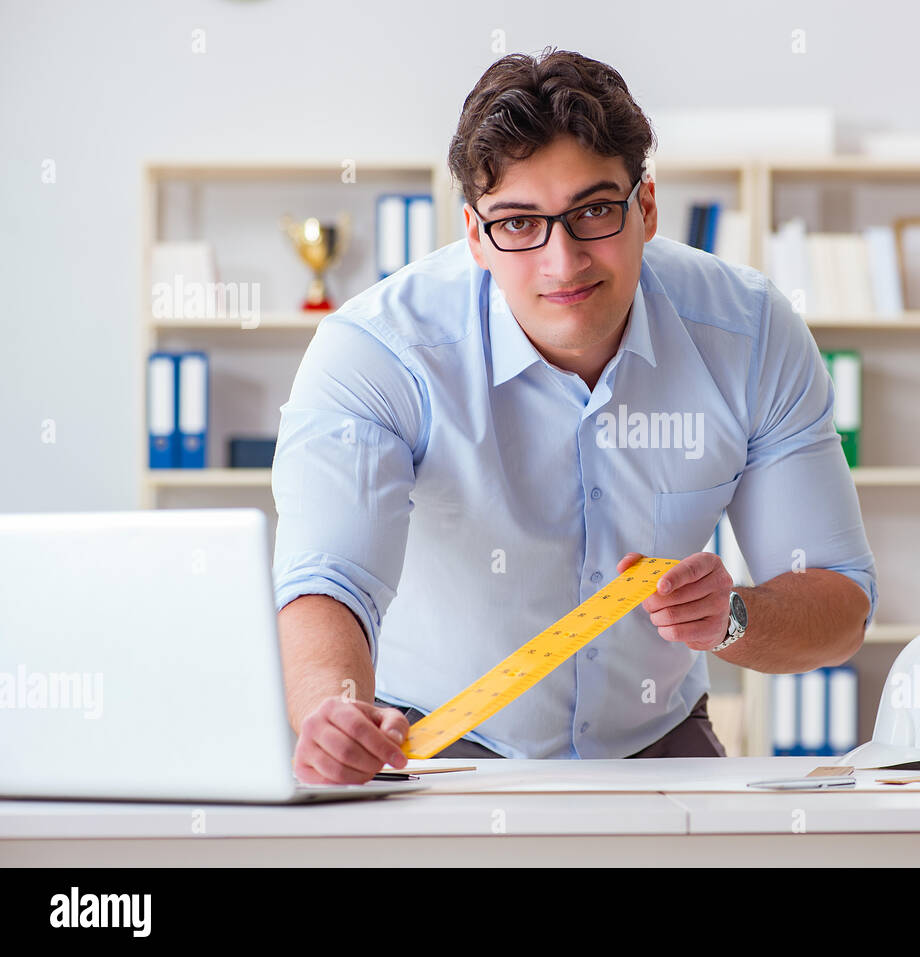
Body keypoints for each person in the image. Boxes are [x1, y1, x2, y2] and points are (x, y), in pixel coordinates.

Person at [273, 47, 878, 784]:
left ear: (645, 207)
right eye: (519, 223)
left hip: (659, 740)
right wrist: (331, 713)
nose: (563, 263)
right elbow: (329, 580)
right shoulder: (378, 352)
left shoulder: (749, 334)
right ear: (473, 233)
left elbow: (840, 601)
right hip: (435, 745)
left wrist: (734, 616)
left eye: (593, 211)